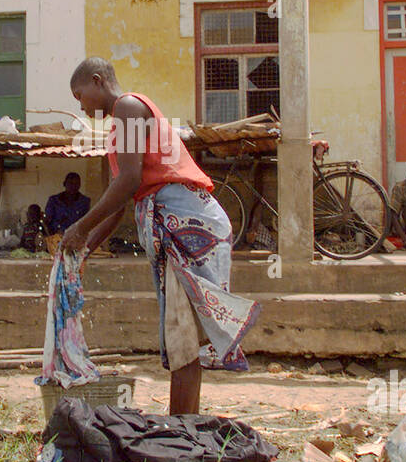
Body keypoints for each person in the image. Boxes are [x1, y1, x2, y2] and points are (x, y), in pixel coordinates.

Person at [58, 57, 259, 415]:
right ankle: (185, 424)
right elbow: (120, 201)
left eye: (80, 95)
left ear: (97, 81)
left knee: (180, 332)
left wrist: (80, 226)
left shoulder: (129, 107)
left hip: (186, 222)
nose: (80, 105)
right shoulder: (119, 130)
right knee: (179, 332)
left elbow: (130, 181)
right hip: (173, 224)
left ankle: (182, 428)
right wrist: (85, 249)